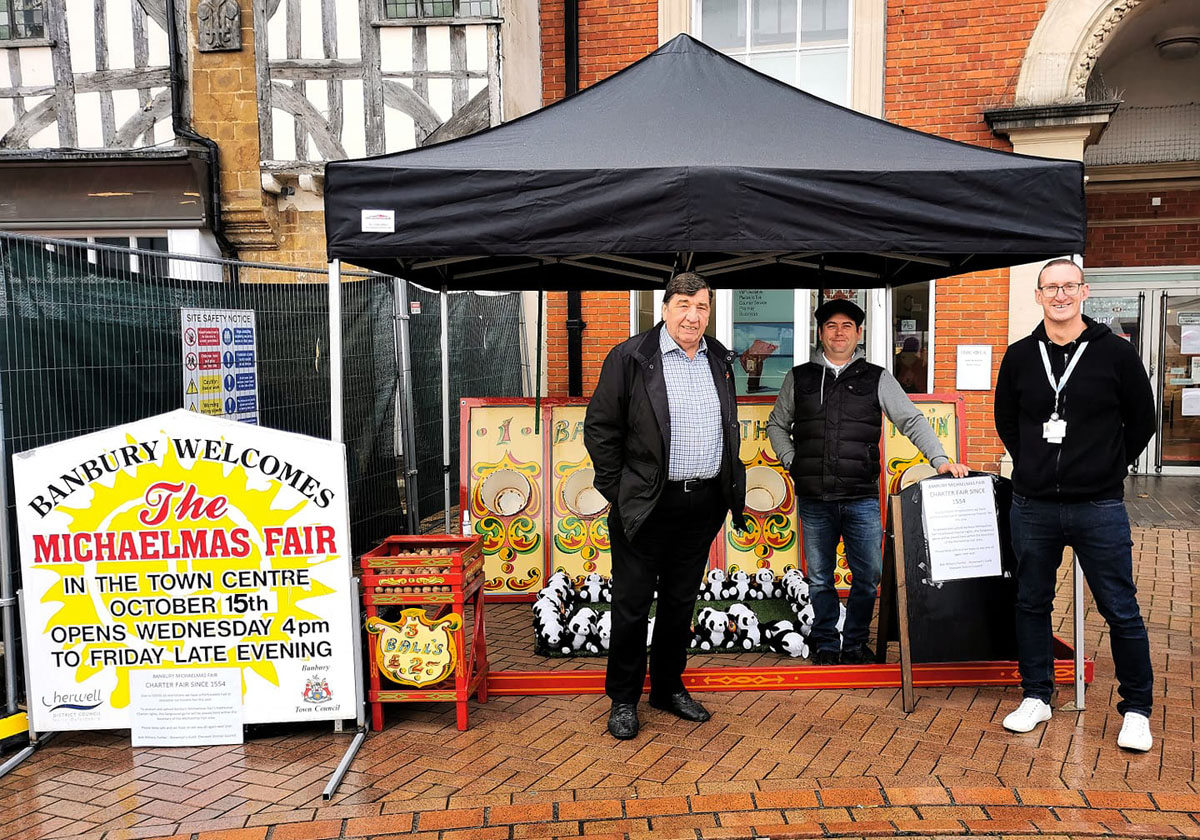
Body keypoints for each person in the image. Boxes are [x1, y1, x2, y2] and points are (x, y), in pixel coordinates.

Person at [994, 258, 1155, 751]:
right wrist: (1038, 468)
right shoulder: (1020, 355)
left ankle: (1136, 710)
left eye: (1069, 286)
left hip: (1098, 505)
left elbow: (1142, 420)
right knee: (1031, 602)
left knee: (1120, 607)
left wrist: (1105, 467)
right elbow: (1007, 421)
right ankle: (1037, 695)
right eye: (1050, 288)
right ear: (1038, 296)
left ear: (1084, 293)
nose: (1059, 295)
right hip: (1034, 505)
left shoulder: (1117, 355)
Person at [584, 271, 747, 740]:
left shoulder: (718, 357)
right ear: (665, 308)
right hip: (646, 505)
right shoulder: (632, 356)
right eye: (684, 306)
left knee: (680, 602)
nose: (693, 316)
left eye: (702, 308)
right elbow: (600, 427)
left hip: (702, 503)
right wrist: (620, 490)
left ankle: (668, 687)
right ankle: (623, 699)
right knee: (633, 604)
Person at [767, 299, 968, 666]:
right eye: (831, 325)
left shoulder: (876, 377)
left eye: (847, 326)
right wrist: (793, 461)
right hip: (815, 499)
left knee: (867, 577)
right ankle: (826, 642)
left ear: (858, 333)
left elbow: (911, 420)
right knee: (820, 579)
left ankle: (856, 643)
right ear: (821, 332)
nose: (838, 332)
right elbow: (777, 426)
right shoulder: (799, 378)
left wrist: (939, 460)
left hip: (860, 497)